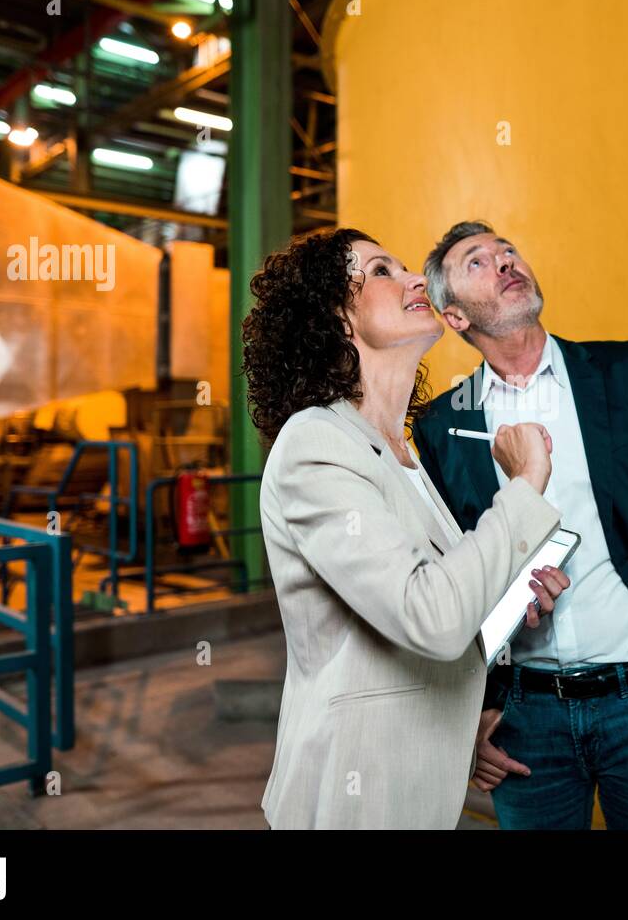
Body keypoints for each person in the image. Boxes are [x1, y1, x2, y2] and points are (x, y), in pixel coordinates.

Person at [411, 221, 628, 830]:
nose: (504, 261)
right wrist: (473, 710)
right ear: (456, 317)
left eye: (508, 250)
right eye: (477, 262)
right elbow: (446, 582)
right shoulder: (442, 426)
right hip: (523, 723)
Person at [242, 227, 571, 829]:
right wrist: (523, 487)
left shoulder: (402, 454)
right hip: (356, 799)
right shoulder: (316, 442)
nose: (416, 278)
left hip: (420, 790)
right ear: (336, 319)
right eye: (380, 271)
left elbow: (434, 601)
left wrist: (509, 597)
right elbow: (431, 617)